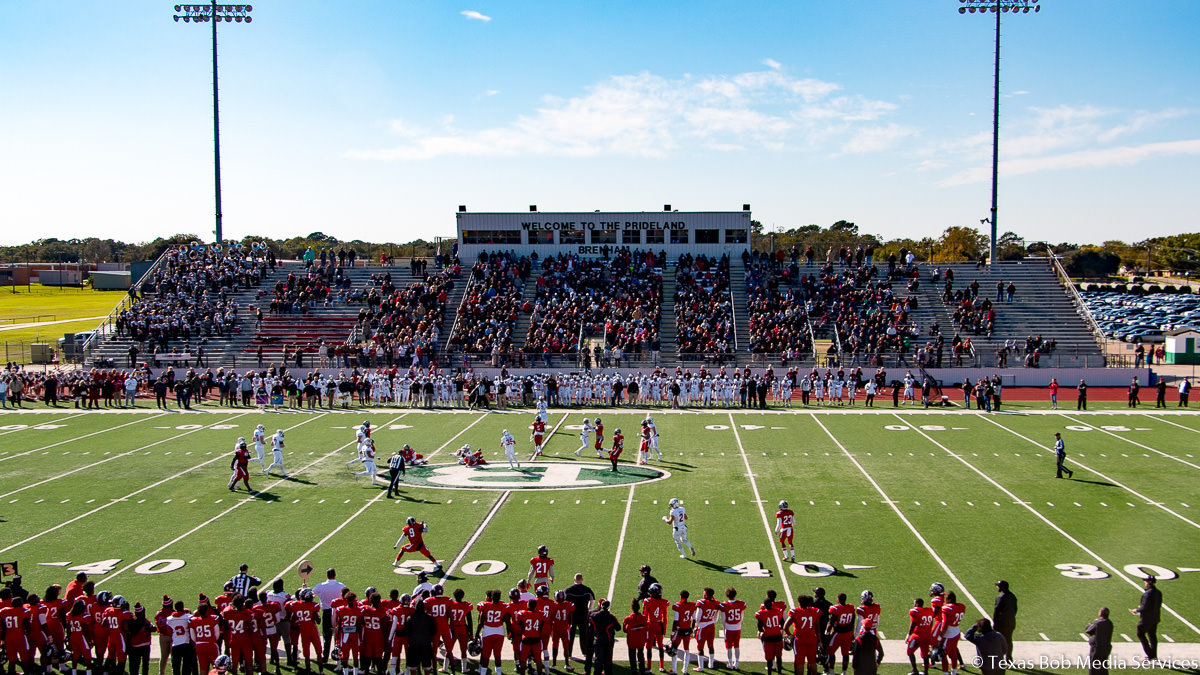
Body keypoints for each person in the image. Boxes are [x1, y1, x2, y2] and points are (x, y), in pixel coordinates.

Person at [313, 569, 347, 662]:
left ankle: (325, 658)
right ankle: (341, 658)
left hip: (327, 613)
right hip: (338, 613)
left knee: (326, 637)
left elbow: (311, 594)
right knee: (339, 636)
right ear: (335, 575)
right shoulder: (341, 586)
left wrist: (304, 588)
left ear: (327, 575)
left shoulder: (321, 586)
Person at [563, 573, 595, 669]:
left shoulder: (568, 590)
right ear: (582, 579)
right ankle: (585, 651)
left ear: (574, 579)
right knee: (584, 634)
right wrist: (589, 609)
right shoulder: (587, 589)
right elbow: (592, 600)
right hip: (583, 614)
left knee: (571, 634)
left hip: (572, 615)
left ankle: (569, 652)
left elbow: (562, 601)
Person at [1130, 575, 1161, 661]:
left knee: (1140, 633)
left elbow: (1145, 608)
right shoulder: (1158, 592)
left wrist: (1137, 610)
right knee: (1152, 635)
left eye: (1146, 581)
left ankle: (1150, 654)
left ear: (1150, 583)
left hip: (1146, 619)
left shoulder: (1148, 594)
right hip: (1155, 618)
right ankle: (1154, 654)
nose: (1145, 583)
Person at [755, 594, 785, 675]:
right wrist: (780, 628)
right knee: (779, 656)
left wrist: (762, 632)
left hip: (768, 637)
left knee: (769, 658)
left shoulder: (762, 613)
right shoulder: (778, 611)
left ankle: (769, 673)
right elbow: (782, 622)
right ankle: (779, 672)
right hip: (778, 636)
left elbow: (759, 625)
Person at [588, 599, 620, 675]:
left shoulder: (594, 616)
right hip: (608, 641)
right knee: (608, 660)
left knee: (598, 659)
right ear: (608, 607)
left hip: (598, 640)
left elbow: (590, 618)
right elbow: (618, 628)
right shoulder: (611, 617)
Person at [719, 588, 745, 670]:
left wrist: (724, 627)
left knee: (728, 647)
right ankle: (736, 663)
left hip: (728, 628)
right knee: (737, 646)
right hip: (737, 627)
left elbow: (723, 619)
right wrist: (737, 623)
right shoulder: (740, 603)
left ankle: (730, 663)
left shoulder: (725, 605)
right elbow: (742, 617)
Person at [992, 581, 1017, 661]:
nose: (997, 587)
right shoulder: (1013, 596)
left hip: (1001, 623)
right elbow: (1015, 609)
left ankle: (1000, 658)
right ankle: (1009, 657)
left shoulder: (1000, 597)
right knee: (1009, 640)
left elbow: (997, 610)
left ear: (1002, 587)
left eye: (998, 586)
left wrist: (995, 622)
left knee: (999, 641)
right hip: (1011, 622)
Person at [1084, 607, 1113, 675]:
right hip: (1107, 647)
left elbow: (1088, 630)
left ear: (1100, 614)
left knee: (1093, 667)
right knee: (1103, 667)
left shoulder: (1097, 622)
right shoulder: (1110, 623)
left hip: (1097, 648)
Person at [622, 599, 648, 675]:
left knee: (632, 656)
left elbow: (624, 630)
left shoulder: (628, 619)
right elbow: (646, 628)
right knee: (640, 655)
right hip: (640, 640)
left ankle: (634, 671)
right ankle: (642, 669)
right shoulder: (643, 618)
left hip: (631, 641)